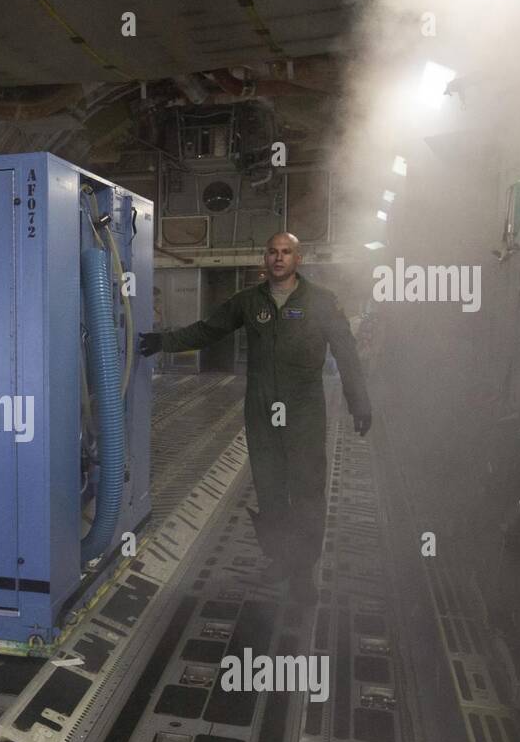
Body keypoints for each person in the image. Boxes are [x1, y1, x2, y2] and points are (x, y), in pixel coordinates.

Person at [139, 233, 373, 603]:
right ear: (265, 258)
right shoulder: (249, 302)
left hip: (305, 412)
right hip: (262, 412)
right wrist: (163, 341)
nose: (278, 259)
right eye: (272, 252)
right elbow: (209, 330)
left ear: (299, 258)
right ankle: (280, 559)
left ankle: (303, 572)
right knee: (271, 490)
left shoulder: (322, 302)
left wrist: (359, 402)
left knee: (308, 493)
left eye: (286, 253)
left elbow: (345, 352)